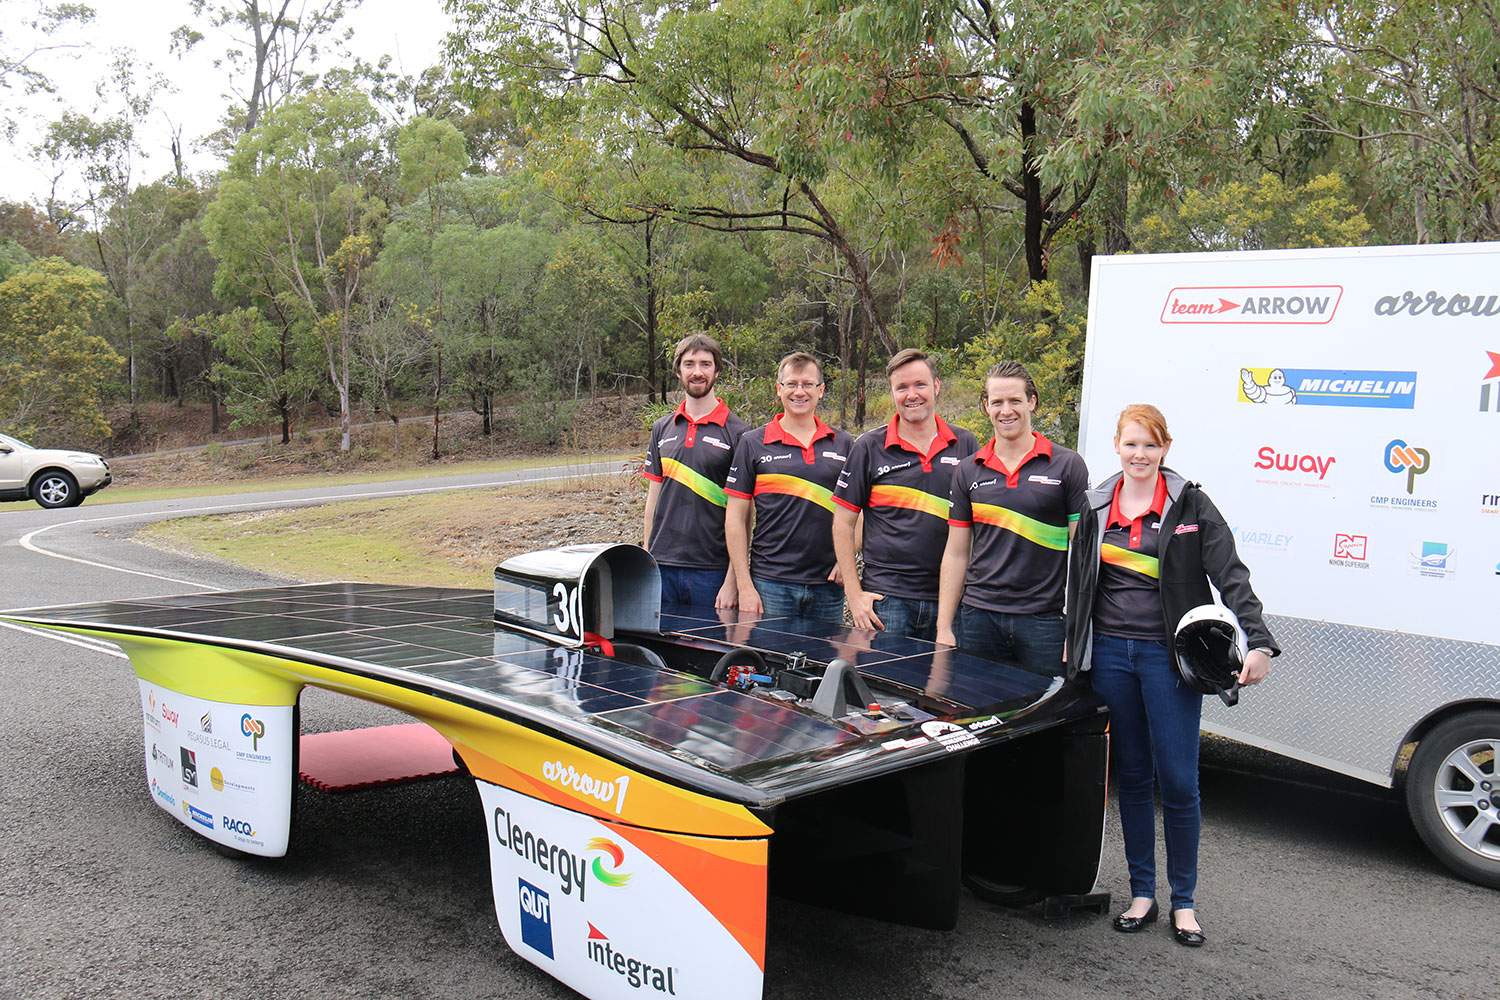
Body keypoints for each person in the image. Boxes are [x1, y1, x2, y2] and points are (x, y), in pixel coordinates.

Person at [1065, 403, 1277, 947]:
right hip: (1110, 655)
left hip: (1169, 660)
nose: (1140, 455)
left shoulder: (1191, 504)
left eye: (1150, 445)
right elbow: (1076, 585)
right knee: (1132, 778)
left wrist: (1259, 641)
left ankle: (1184, 903)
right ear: (1117, 445)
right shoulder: (1094, 504)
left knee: (1179, 781)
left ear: (1166, 448)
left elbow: (1231, 575)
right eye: (1131, 444)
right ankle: (1142, 894)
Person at [935, 361, 1089, 676]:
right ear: (986, 406)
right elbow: (956, 552)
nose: (1007, 410)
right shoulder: (968, 469)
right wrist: (944, 626)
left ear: (1031, 401)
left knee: (1043, 719)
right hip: (978, 617)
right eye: (997, 402)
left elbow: (1083, 553)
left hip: (1044, 621)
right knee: (977, 715)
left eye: (1015, 401)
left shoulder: (1068, 465)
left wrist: (1077, 626)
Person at [832, 349, 978, 640]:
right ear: (892, 392)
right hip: (887, 600)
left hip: (949, 599)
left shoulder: (965, 443)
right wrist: (854, 594)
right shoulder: (869, 446)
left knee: (942, 685)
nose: (912, 395)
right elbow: (843, 524)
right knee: (884, 686)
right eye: (902, 387)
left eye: (920, 385)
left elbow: (976, 522)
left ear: (936, 386)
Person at [724, 352, 853, 621]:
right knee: (769, 662)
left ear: (821, 391)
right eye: (792, 384)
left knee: (824, 664)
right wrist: (744, 584)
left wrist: (846, 560)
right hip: (771, 583)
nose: (799, 392)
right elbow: (735, 518)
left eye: (808, 384)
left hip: (827, 585)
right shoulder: (752, 442)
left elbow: (858, 511)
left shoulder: (844, 444)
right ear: (779, 389)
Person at [642, 333, 750, 608]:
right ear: (678, 371)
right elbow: (653, 499)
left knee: (709, 651)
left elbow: (745, 514)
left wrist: (733, 579)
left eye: (705, 364)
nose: (697, 372)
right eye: (689, 364)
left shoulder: (740, 433)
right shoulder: (662, 428)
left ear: (717, 370)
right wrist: (646, 558)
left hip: (712, 570)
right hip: (661, 565)